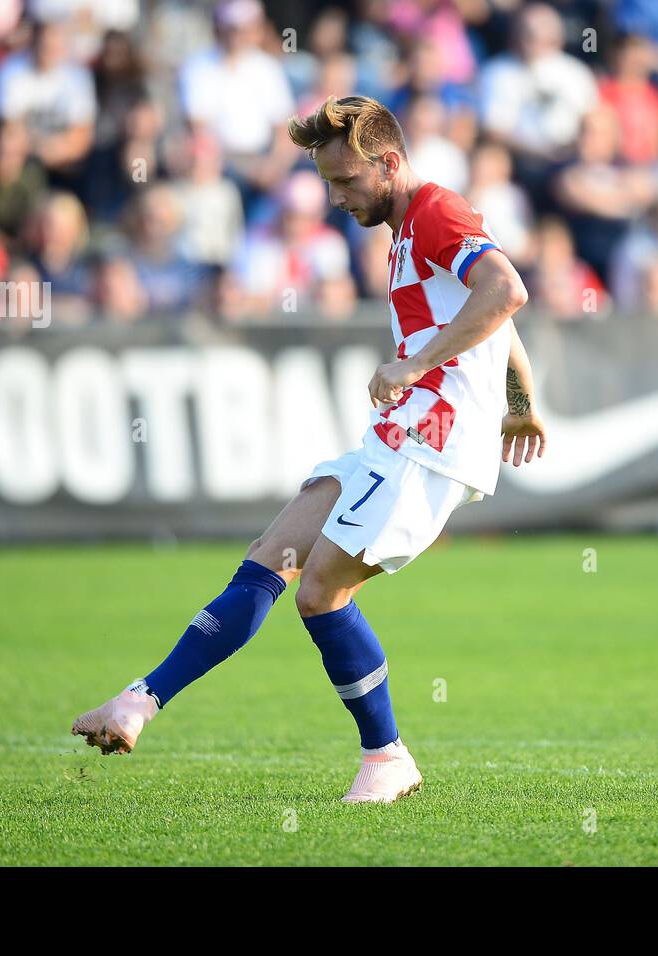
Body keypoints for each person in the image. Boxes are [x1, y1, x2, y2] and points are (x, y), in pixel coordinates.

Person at [72, 95, 547, 804]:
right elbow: (495, 318)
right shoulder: (411, 229)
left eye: (348, 181)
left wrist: (417, 368)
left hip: (431, 440)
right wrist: (520, 405)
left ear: (389, 164)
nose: (336, 197)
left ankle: (386, 759)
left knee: (322, 592)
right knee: (272, 560)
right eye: (328, 182)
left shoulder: (436, 211)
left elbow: (507, 290)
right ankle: (140, 702)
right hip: (401, 433)